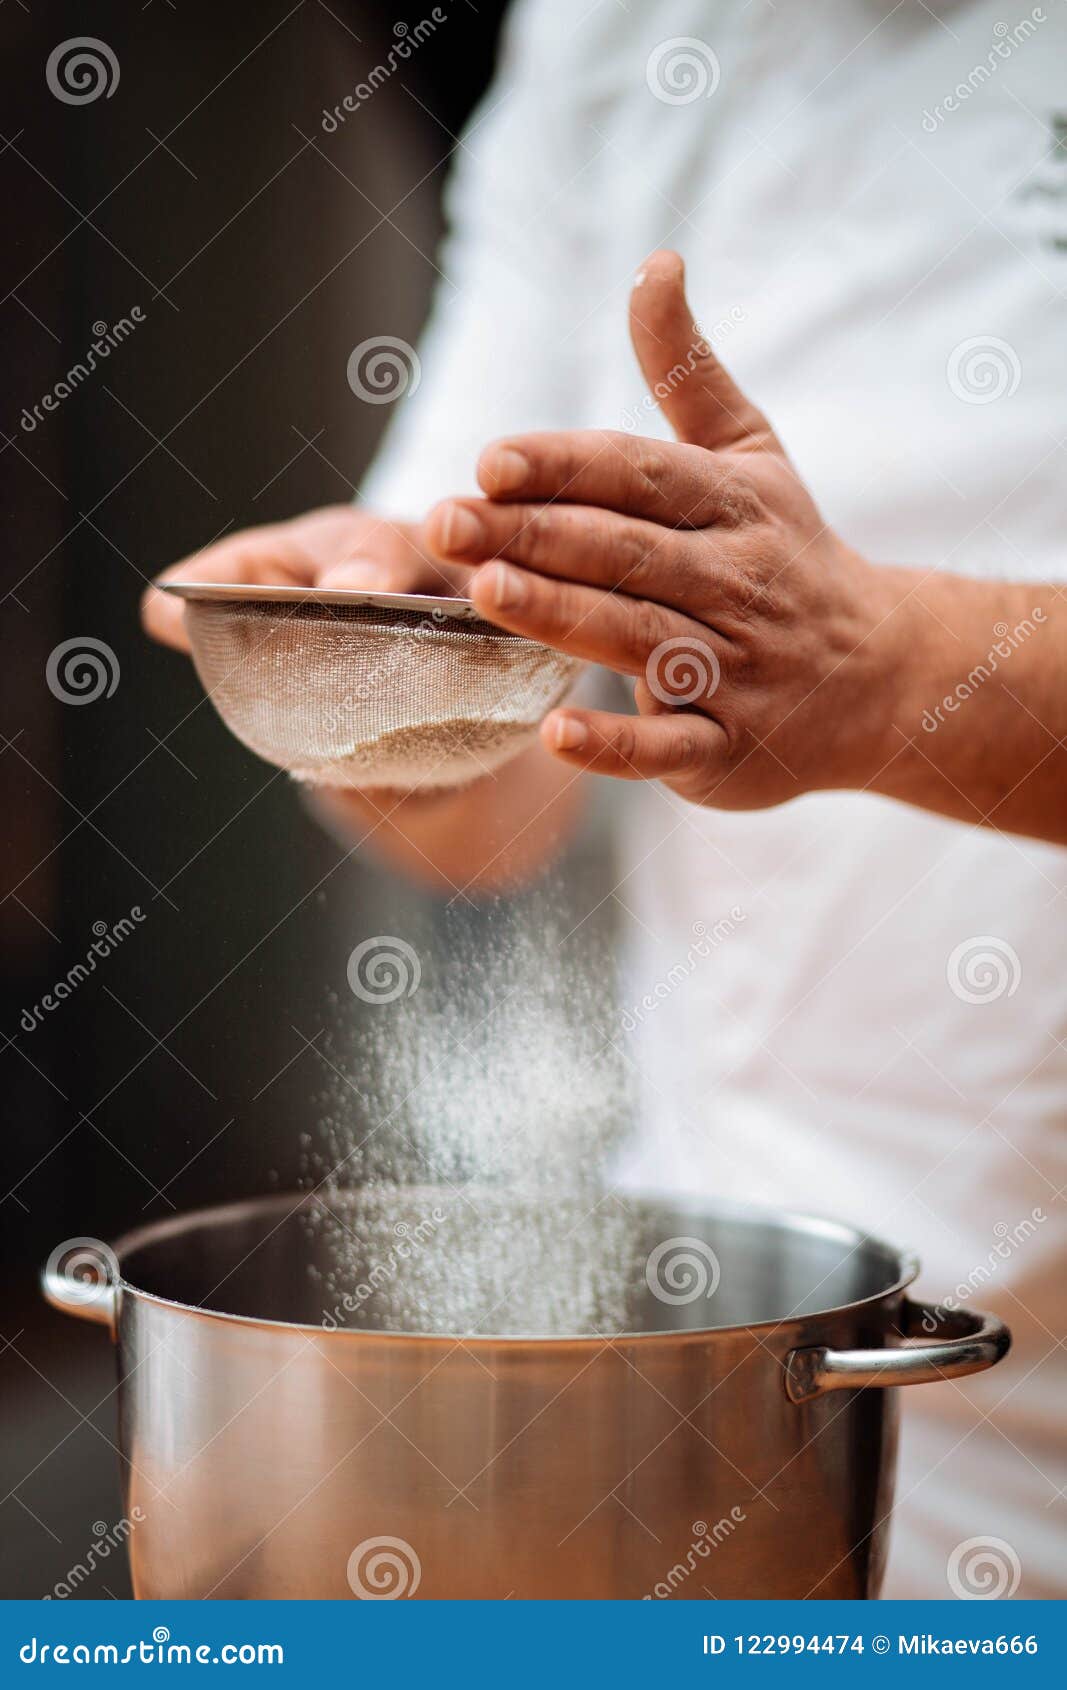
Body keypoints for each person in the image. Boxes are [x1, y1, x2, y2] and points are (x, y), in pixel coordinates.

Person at [143, 1, 1066, 1597]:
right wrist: (376, 673)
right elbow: (498, 813)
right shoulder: (608, 31)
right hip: (766, 1385)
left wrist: (892, 671)